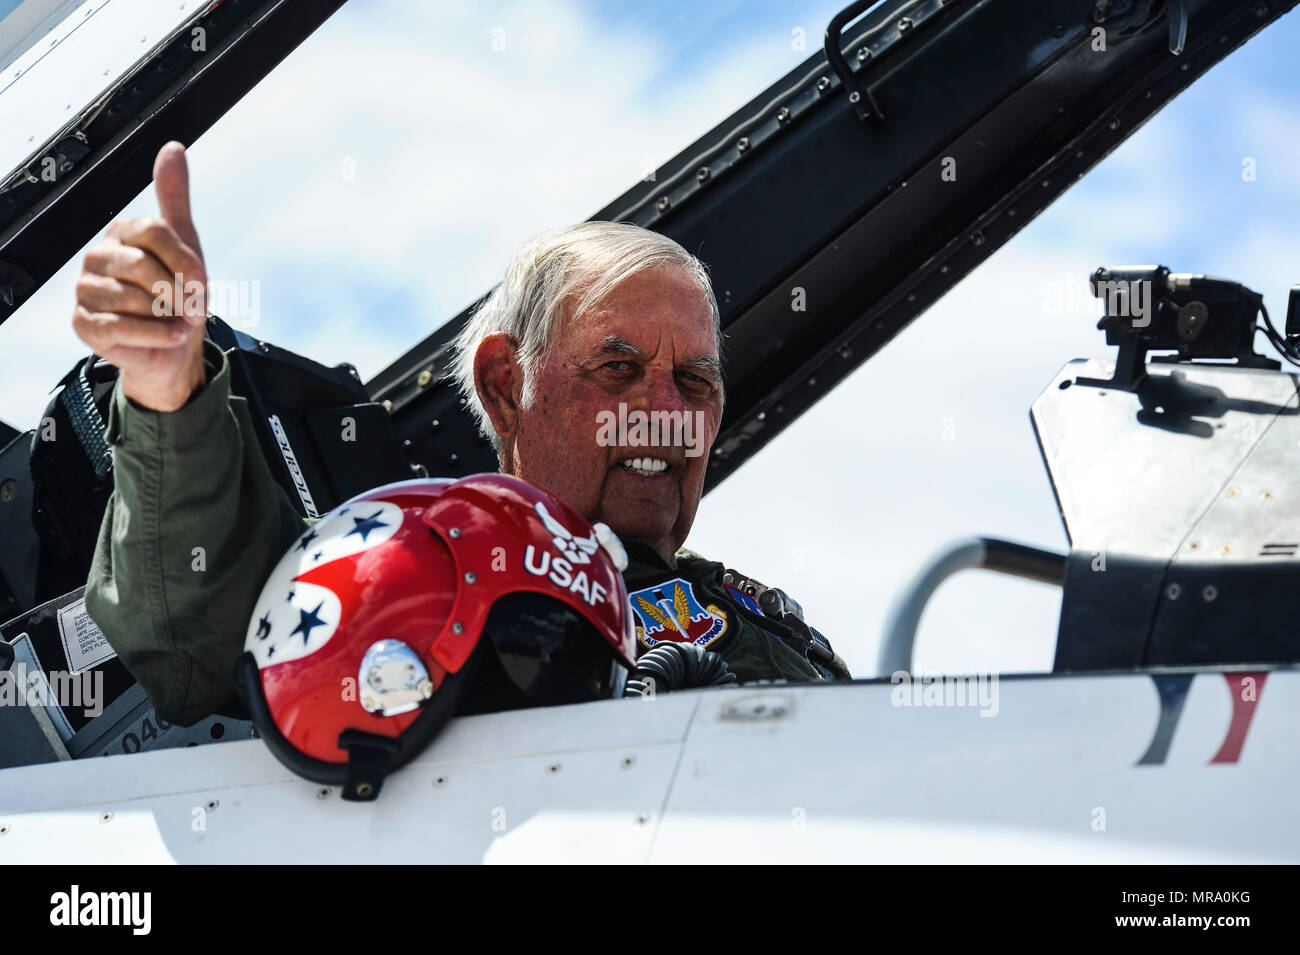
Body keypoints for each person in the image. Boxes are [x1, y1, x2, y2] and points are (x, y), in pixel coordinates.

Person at [75, 142, 850, 726]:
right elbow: (197, 628)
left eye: (695, 381)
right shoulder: (409, 573)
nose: (664, 412)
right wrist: (167, 395)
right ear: (507, 386)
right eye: (618, 369)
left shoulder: (774, 625)